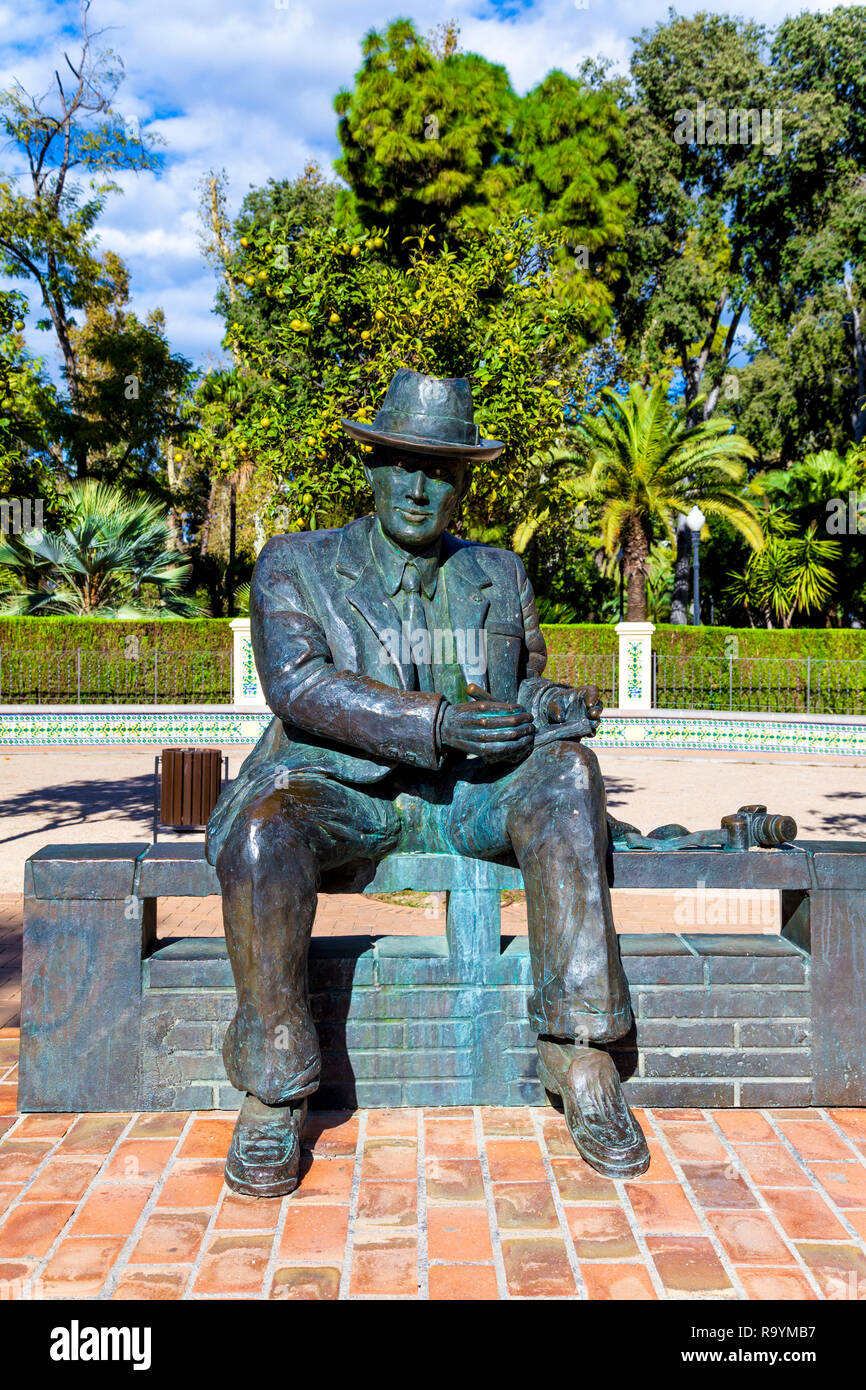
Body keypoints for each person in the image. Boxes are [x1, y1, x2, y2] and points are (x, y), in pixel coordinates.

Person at [207, 368, 650, 1197]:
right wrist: (437, 724)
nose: (419, 488)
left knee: (568, 774)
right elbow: (298, 686)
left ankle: (582, 1053)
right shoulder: (295, 564)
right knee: (264, 830)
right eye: (404, 466)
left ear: (463, 485)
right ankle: (274, 1086)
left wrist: (548, 705)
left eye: (440, 472)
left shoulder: (499, 573)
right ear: (372, 467)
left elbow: (516, 685)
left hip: (467, 796)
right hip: (339, 792)